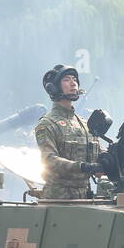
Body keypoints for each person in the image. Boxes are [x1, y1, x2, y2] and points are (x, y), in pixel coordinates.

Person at [33, 64, 104, 199]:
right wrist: (82, 167)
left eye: (75, 79)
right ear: (53, 88)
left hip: (85, 196)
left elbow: (99, 153)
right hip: (58, 200)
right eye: (66, 79)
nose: (73, 83)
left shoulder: (85, 124)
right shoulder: (47, 124)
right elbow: (49, 160)